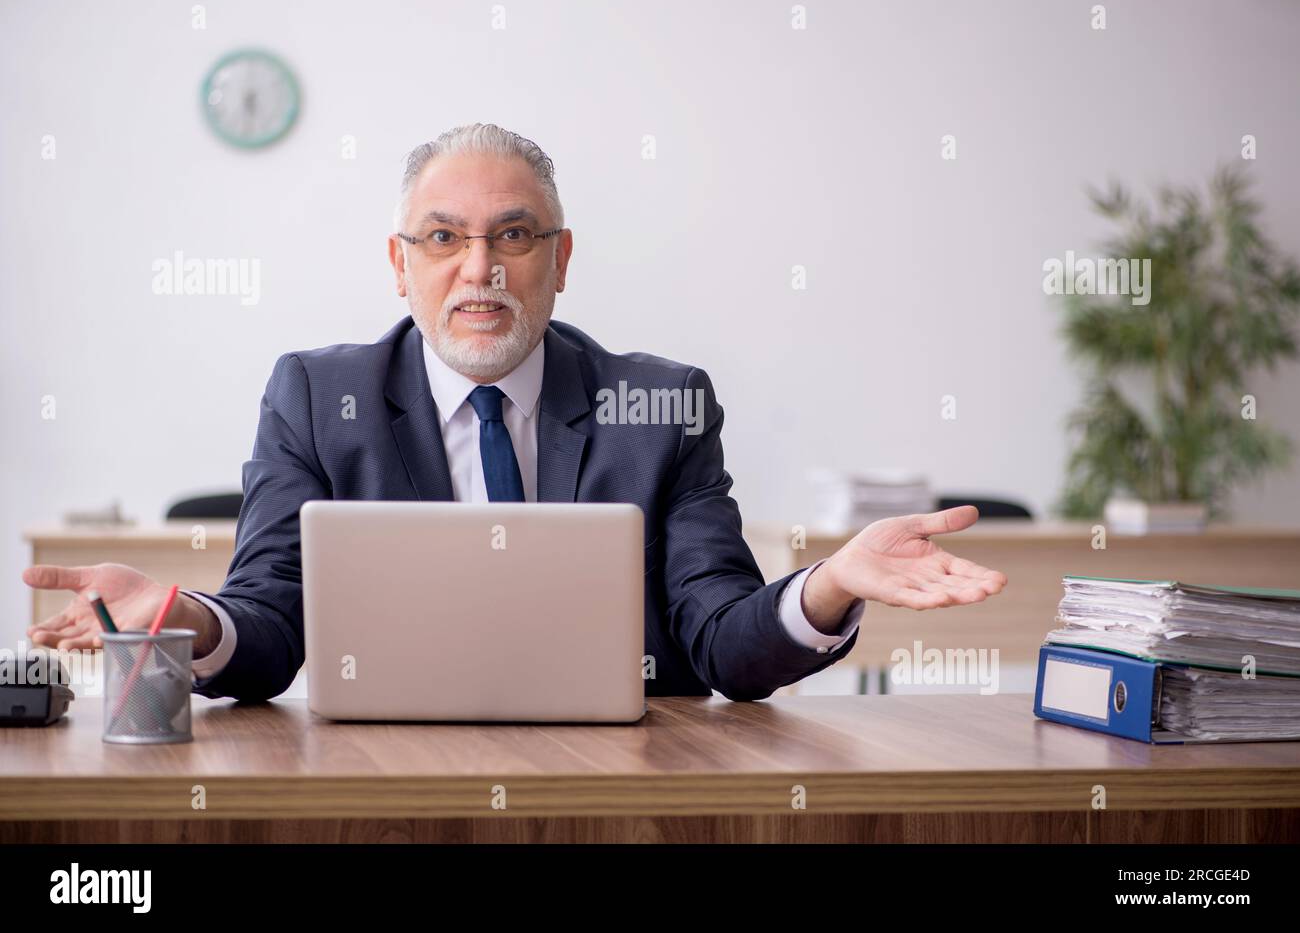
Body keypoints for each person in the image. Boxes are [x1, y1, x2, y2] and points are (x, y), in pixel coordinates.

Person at [24, 123, 1007, 702]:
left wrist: (832, 583)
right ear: (400, 264)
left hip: (633, 791)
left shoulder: (658, 404)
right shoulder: (318, 398)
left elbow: (719, 643)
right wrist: (179, 616)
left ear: (560, 261)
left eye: (514, 235)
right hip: (381, 784)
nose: (480, 267)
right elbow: (270, 632)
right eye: (443, 237)